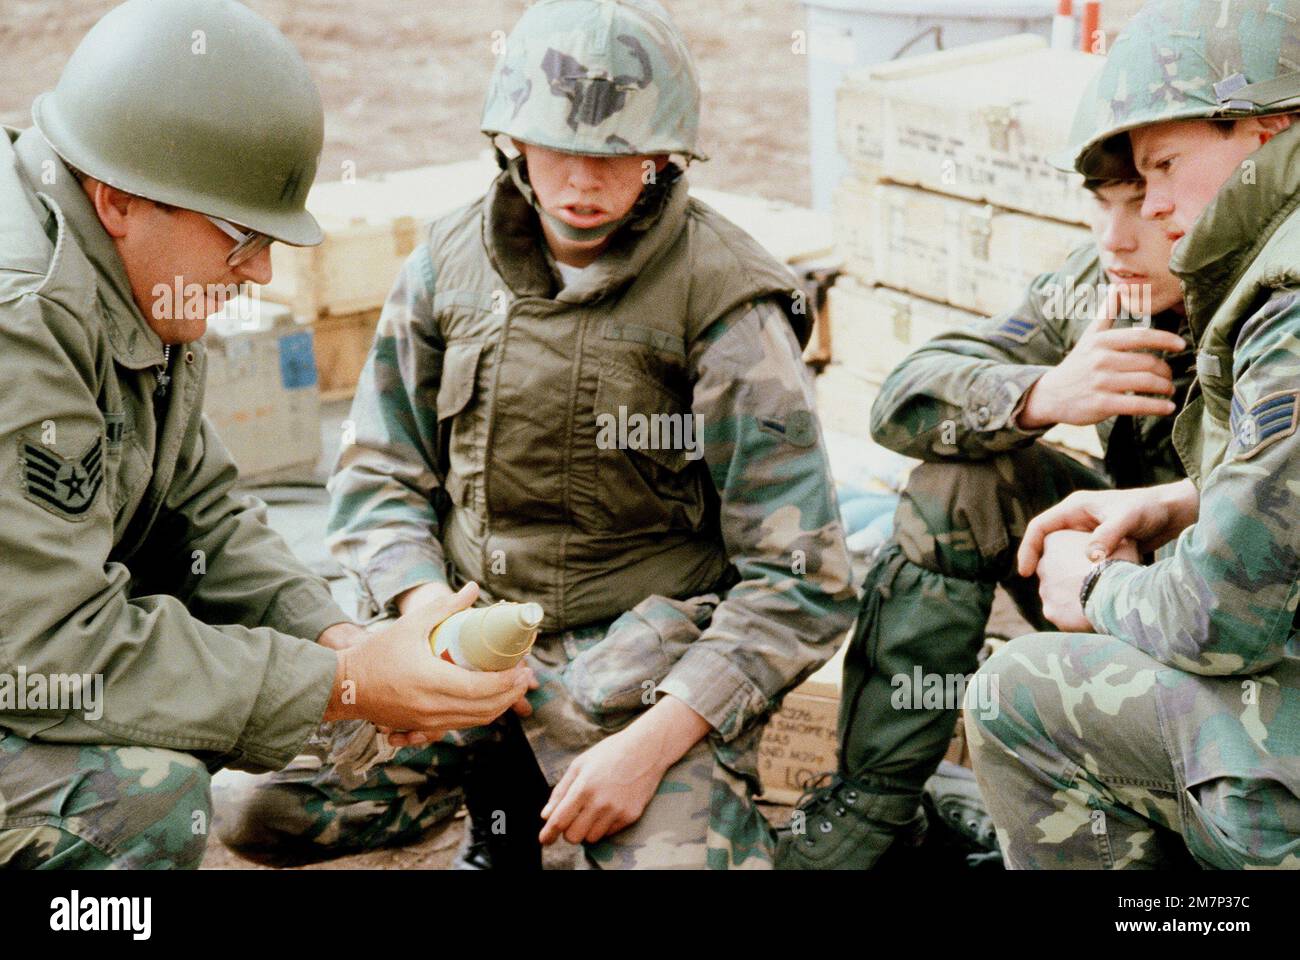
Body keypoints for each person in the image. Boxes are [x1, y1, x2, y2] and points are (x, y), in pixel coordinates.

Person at [216, 0, 856, 871]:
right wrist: (419, 617)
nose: (584, 182)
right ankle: (493, 794)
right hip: (458, 639)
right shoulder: (446, 265)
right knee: (255, 808)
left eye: (615, 153)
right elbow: (378, 475)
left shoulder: (725, 300)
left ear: (664, 154)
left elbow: (800, 579)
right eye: (559, 148)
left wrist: (657, 740)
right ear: (512, 140)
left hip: (630, 668)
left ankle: (563, 792)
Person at [0, 0, 528, 869]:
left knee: (215, 706)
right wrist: (344, 687)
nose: (262, 270)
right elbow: (49, 650)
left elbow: (198, 515)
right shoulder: (27, 316)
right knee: (140, 800)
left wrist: (337, 642)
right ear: (119, 199)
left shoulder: (133, 282)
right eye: (240, 236)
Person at [776, 74, 1195, 869]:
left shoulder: (1268, 305)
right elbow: (902, 400)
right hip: (1124, 581)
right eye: (1101, 204)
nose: (1116, 236)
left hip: (1242, 621)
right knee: (961, 484)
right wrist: (1039, 393)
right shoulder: (1098, 286)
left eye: (1141, 203)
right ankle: (877, 814)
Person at [968, 0, 1300, 869]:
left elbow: (1219, 619)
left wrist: (1097, 585)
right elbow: (915, 387)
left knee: (1017, 691)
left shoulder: (1289, 303)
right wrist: (1185, 498)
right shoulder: (1118, 280)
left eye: (1164, 165)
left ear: (1264, 133)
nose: (1149, 208)